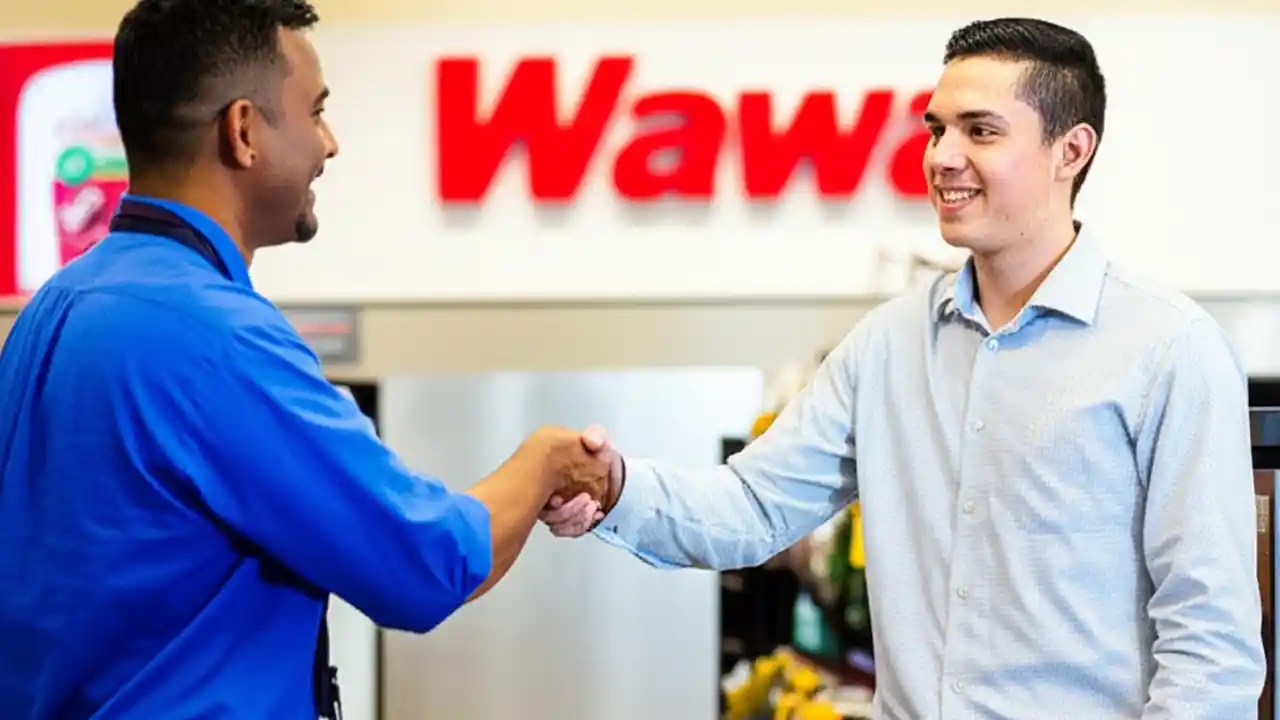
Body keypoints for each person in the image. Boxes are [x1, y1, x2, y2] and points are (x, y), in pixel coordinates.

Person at [542, 17, 1267, 720]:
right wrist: (616, 487)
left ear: (1070, 151)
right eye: (936, 129)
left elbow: (1209, 641)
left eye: (980, 131)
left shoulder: (1169, 349)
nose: (943, 156)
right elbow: (753, 508)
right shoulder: (887, 345)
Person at [0, 1, 608, 718]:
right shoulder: (218, 339)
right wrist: (544, 461)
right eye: (315, 111)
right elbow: (426, 563)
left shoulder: (51, 312)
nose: (330, 143)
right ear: (244, 131)